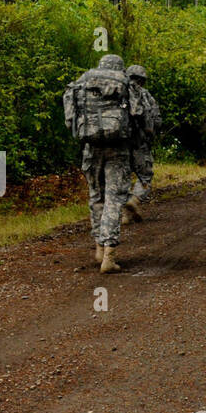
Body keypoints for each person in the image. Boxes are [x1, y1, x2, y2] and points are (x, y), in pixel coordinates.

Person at [63, 53, 138, 273]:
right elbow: (138, 114)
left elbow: (70, 117)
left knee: (96, 196)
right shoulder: (125, 82)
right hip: (118, 149)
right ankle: (109, 256)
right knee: (114, 199)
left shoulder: (83, 80)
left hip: (90, 147)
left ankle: (97, 247)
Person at [123, 64, 161, 223]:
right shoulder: (145, 95)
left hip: (119, 142)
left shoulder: (116, 93)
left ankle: (124, 214)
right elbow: (156, 119)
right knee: (145, 175)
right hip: (139, 142)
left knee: (121, 177)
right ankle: (135, 199)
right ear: (142, 80)